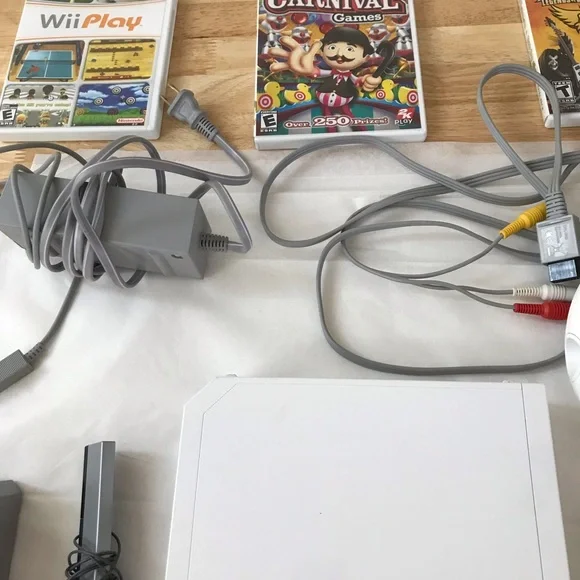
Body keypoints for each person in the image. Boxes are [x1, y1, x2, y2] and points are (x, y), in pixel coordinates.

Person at [269, 27, 382, 131]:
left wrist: (368, 80)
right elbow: (316, 72)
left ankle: (361, 130)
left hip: (344, 99)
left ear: (365, 58)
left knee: (349, 115)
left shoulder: (349, 75)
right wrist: (303, 67)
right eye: (332, 47)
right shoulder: (330, 72)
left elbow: (358, 81)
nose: (339, 54)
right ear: (322, 52)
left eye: (350, 49)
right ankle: (332, 132)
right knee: (327, 117)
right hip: (324, 99)